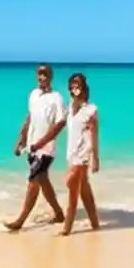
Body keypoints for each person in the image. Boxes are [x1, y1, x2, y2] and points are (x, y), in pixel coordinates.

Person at [4, 64, 66, 231]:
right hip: (32, 147)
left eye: (44, 74)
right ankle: (59, 214)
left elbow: (61, 123)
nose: (41, 77)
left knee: (34, 179)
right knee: (42, 181)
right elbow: (30, 117)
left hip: (45, 149)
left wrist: (43, 142)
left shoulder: (57, 98)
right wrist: (22, 139)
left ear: (51, 76)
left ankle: (20, 221)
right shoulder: (33, 95)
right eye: (39, 74)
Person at [38, 73, 99, 237]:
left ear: (84, 88)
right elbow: (58, 127)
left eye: (77, 85)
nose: (74, 89)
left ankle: (67, 228)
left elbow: (94, 136)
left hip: (82, 156)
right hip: (71, 155)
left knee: (72, 185)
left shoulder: (91, 110)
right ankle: (95, 224)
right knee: (84, 190)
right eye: (71, 86)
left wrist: (95, 159)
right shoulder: (70, 109)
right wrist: (40, 142)